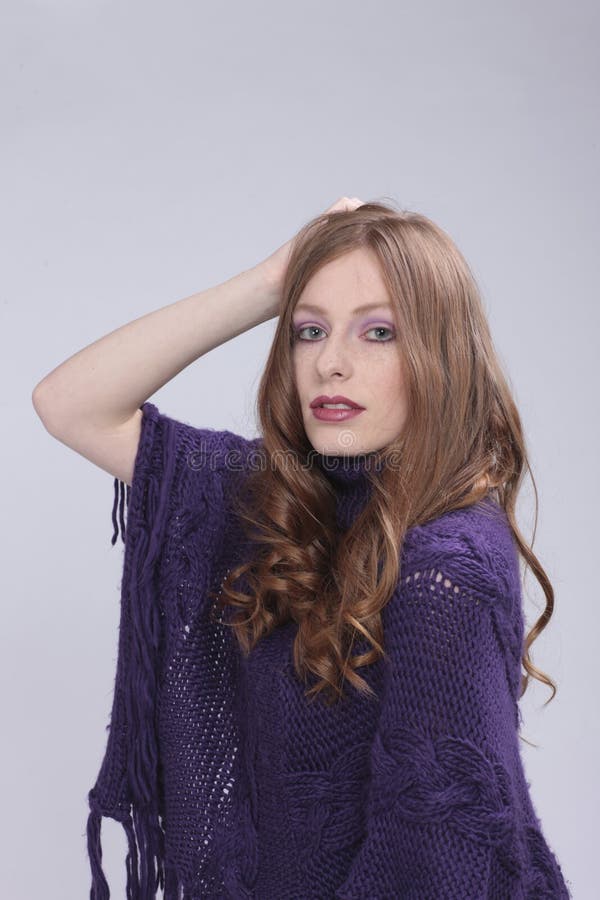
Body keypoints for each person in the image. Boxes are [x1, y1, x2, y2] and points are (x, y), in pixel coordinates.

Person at [32, 197, 571, 898]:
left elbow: (431, 864)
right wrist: (267, 283)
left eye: (379, 333)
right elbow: (70, 404)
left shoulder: (446, 568)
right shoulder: (293, 504)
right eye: (309, 331)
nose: (331, 365)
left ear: (441, 356)